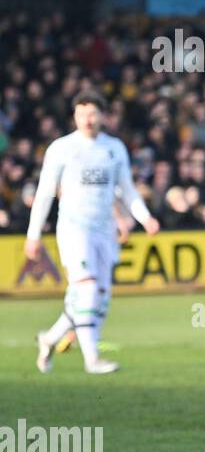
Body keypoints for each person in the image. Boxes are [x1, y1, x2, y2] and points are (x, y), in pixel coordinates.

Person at [26, 90, 161, 374]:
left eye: (92, 113)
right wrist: (33, 234)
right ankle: (92, 359)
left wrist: (144, 217)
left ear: (103, 116)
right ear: (74, 116)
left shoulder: (113, 148)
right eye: (81, 113)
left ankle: (49, 338)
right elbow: (44, 193)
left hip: (105, 231)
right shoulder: (61, 148)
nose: (87, 119)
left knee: (99, 296)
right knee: (86, 288)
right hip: (74, 229)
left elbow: (126, 189)